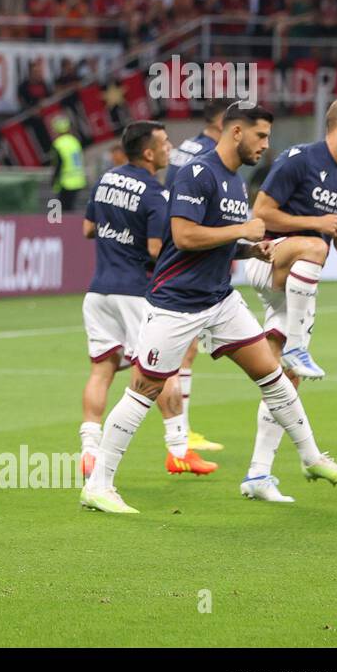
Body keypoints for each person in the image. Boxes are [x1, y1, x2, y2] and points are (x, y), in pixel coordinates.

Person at [81, 104, 337, 515]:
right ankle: (99, 485)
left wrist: (250, 248)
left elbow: (219, 239)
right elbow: (185, 235)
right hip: (176, 304)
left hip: (220, 299)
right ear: (237, 132)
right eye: (261, 137)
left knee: (274, 376)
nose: (266, 145)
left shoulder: (231, 181)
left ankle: (311, 458)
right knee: (144, 391)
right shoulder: (199, 173)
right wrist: (242, 230)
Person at [238, 96, 337, 501]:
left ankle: (258, 474)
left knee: (282, 382)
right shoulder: (298, 159)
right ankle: (298, 347)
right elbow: (260, 215)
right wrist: (314, 224)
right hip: (267, 260)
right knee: (313, 248)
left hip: (295, 280)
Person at [78, 121, 216, 480]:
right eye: (165, 143)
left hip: (98, 290)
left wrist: (118, 233)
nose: (171, 148)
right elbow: (156, 250)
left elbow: (88, 229)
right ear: (150, 152)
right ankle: (178, 450)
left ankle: (89, 450)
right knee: (162, 367)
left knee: (101, 370)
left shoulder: (105, 179)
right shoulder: (155, 194)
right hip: (135, 293)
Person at [161, 97, 233, 453]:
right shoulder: (208, 156)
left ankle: (181, 430)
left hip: (172, 247)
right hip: (185, 257)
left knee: (183, 350)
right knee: (183, 350)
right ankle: (180, 432)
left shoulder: (187, 147)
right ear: (223, 122)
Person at [49, 115, 86, 211]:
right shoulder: (75, 141)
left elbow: (58, 164)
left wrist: (54, 179)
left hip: (66, 182)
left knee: (62, 209)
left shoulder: (58, 143)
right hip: (78, 179)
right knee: (70, 207)